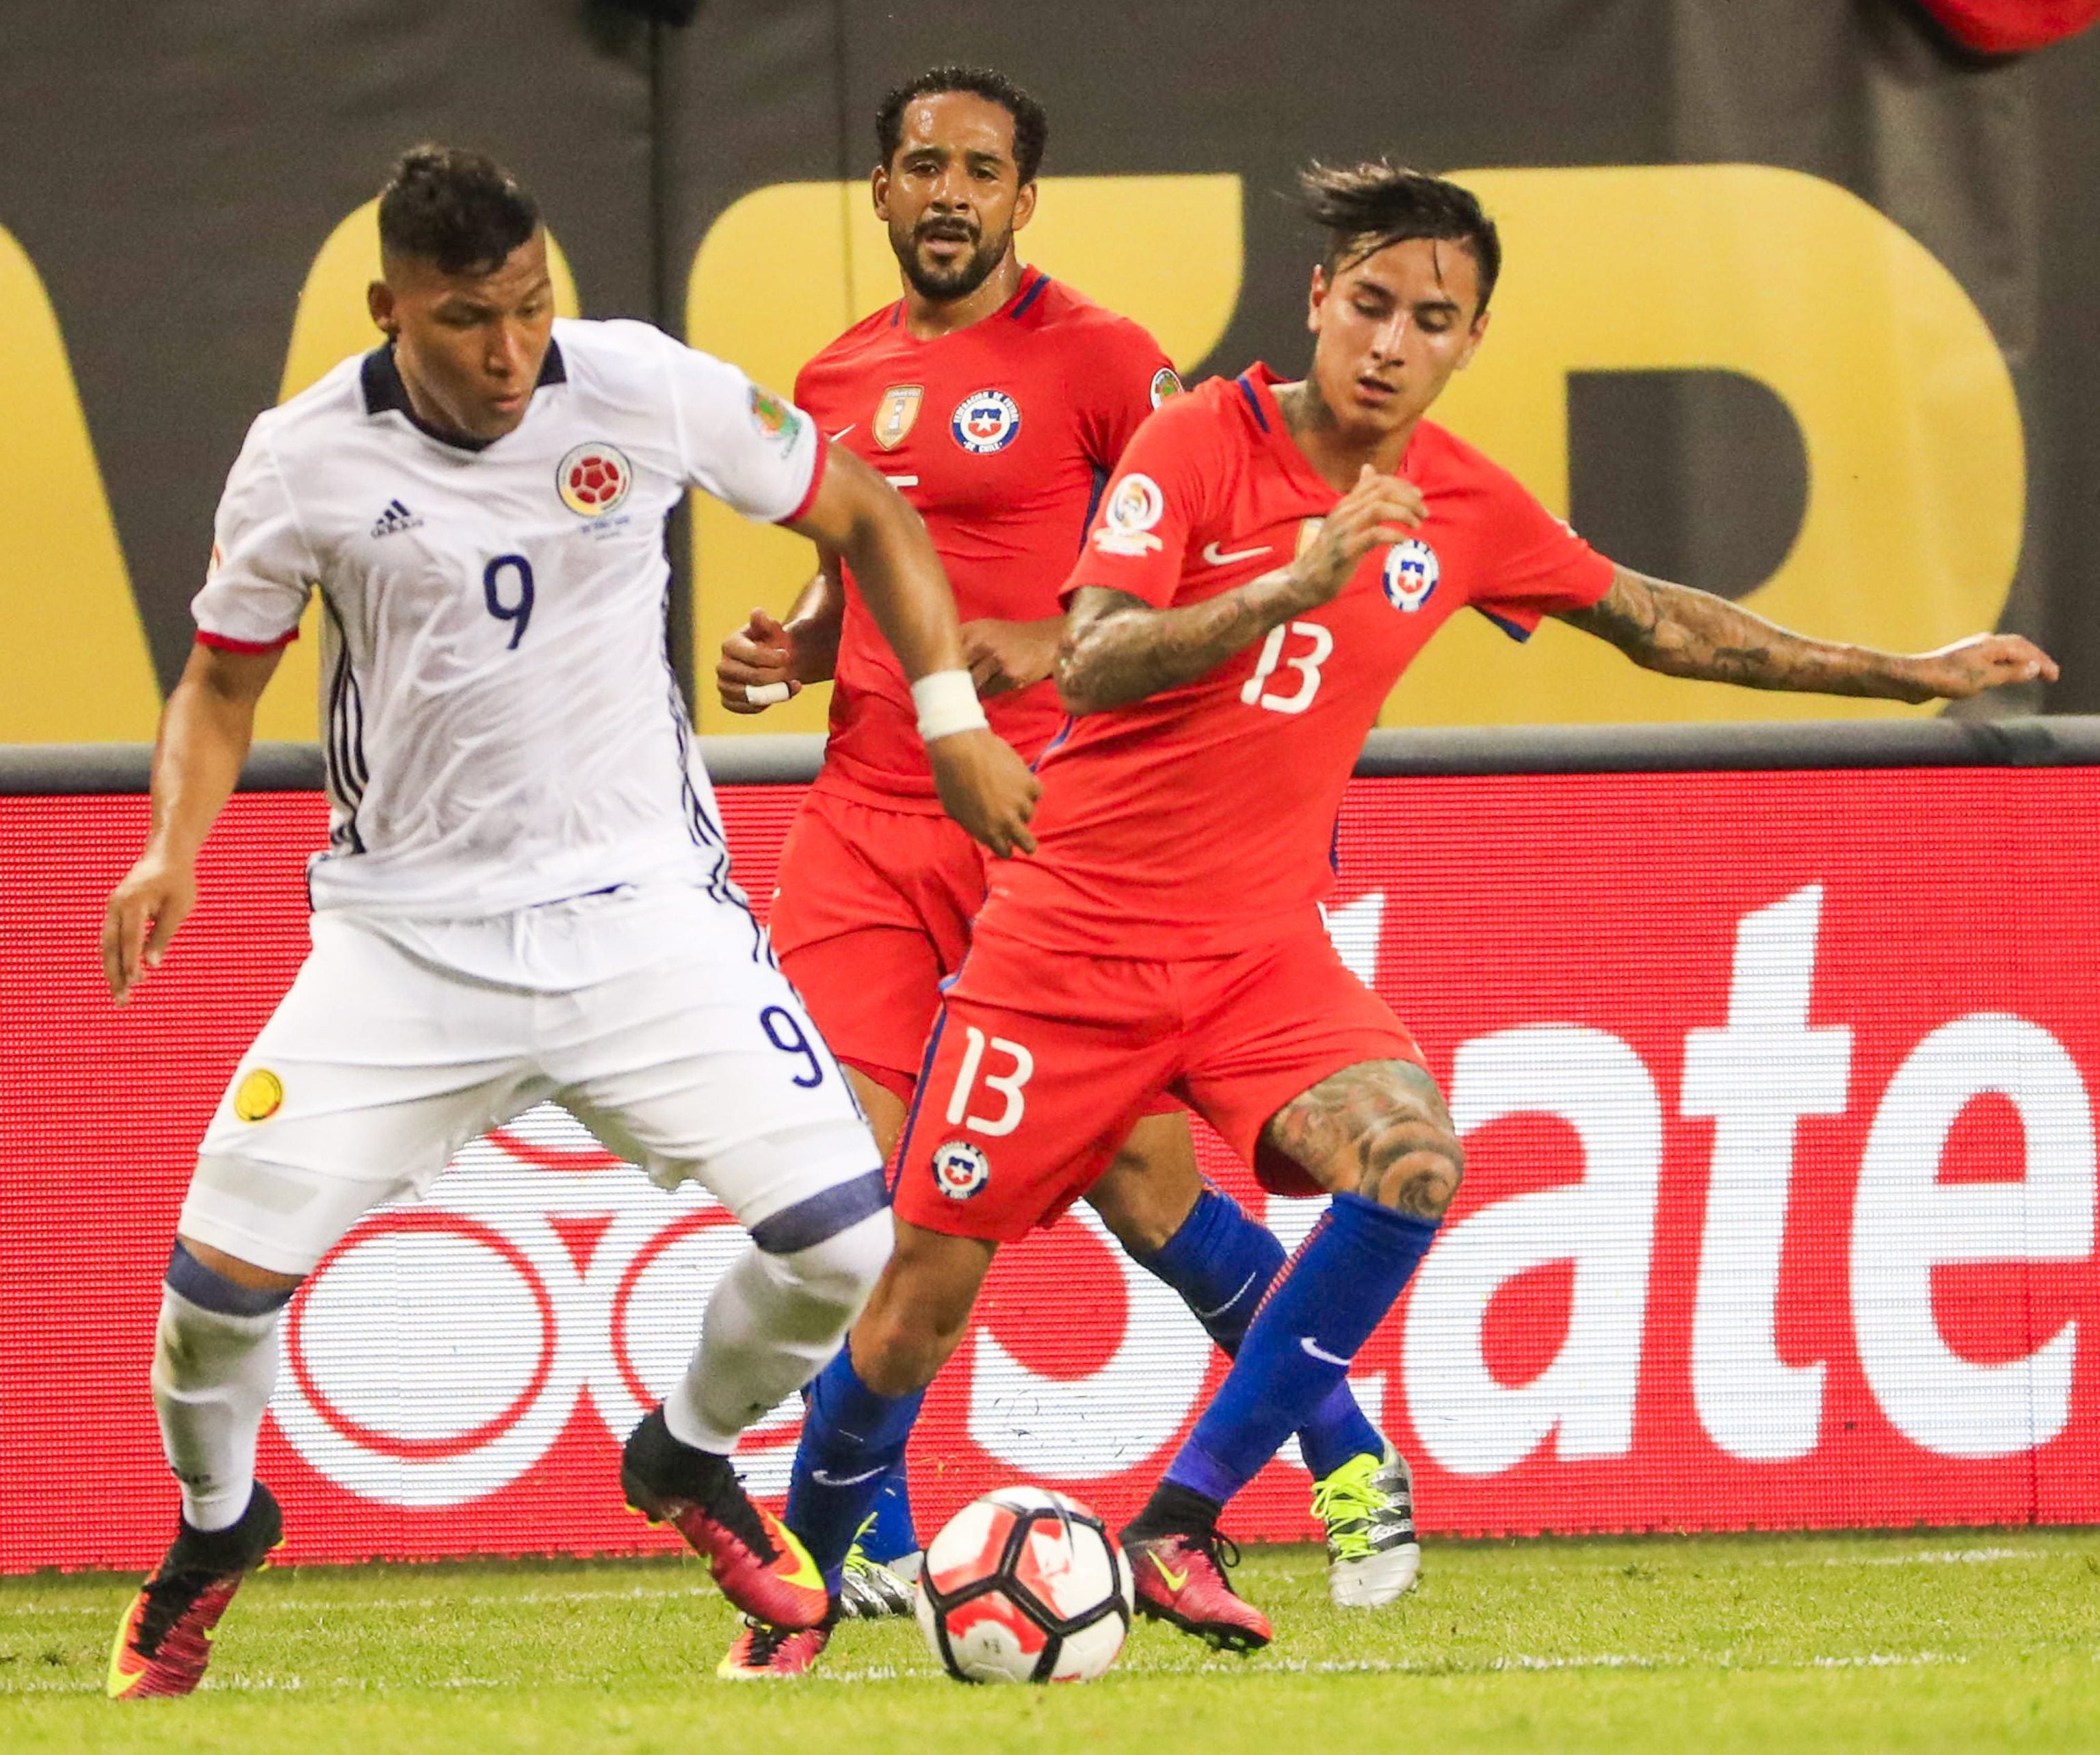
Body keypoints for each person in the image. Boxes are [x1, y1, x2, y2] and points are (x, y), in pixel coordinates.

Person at [772, 158, 2060, 1659]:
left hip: (1255, 954)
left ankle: (1178, 1524)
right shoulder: (1197, 442)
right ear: (1318, 299)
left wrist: (1904, 673)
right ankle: (791, 1593)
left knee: (1411, 1160)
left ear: (1470, 341)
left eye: (1429, 320)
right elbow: (1099, 656)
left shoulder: (1460, 501)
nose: (1390, 342)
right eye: (1370, 304)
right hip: (1070, 939)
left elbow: (1657, 623)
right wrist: (1289, 583)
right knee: (915, 1301)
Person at [98, 144, 1038, 1701]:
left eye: (532, 307)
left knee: (840, 1242)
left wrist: (946, 716)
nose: (511, 351)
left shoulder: (639, 386)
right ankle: (216, 1529)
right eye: (469, 319)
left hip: (644, 922)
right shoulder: (300, 457)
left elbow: (866, 508)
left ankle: (685, 1453)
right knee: (209, 1310)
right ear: (389, 307)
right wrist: (168, 849)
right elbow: (218, 682)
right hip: (405, 946)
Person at [713, 68, 1411, 1669]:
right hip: (864, 824)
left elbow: (1211, 534)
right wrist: (796, 648)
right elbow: (854, 560)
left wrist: (1062, 644)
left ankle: (1345, 1449)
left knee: (1146, 1186)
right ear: (881, 192)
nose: (948, 192)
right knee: (847, 1191)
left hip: (1052, 832)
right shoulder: (832, 375)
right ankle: (863, 1535)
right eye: (921, 166)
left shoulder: (1103, 361)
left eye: (980, 169)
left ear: (1023, 201)